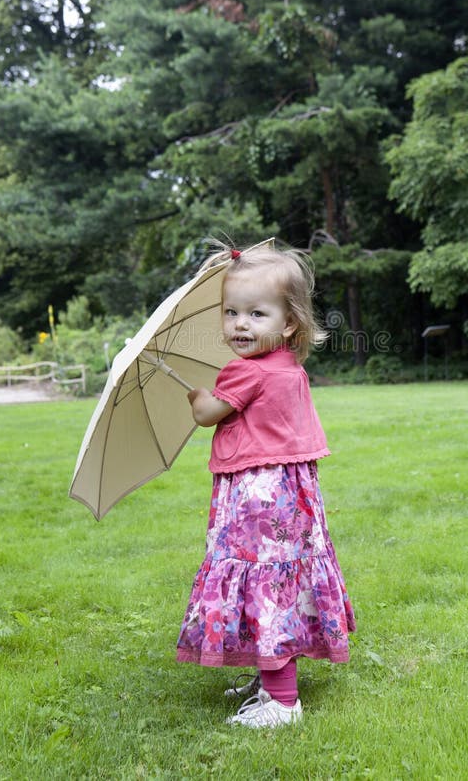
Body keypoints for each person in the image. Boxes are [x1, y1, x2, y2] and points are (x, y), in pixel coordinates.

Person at [176, 243, 356, 728]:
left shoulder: (246, 370)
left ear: (290, 322)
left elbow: (208, 413)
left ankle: (281, 702)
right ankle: (269, 675)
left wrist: (198, 397)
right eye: (231, 312)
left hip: (259, 500)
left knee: (264, 579)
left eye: (257, 314)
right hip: (290, 497)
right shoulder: (286, 366)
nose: (240, 324)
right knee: (278, 578)